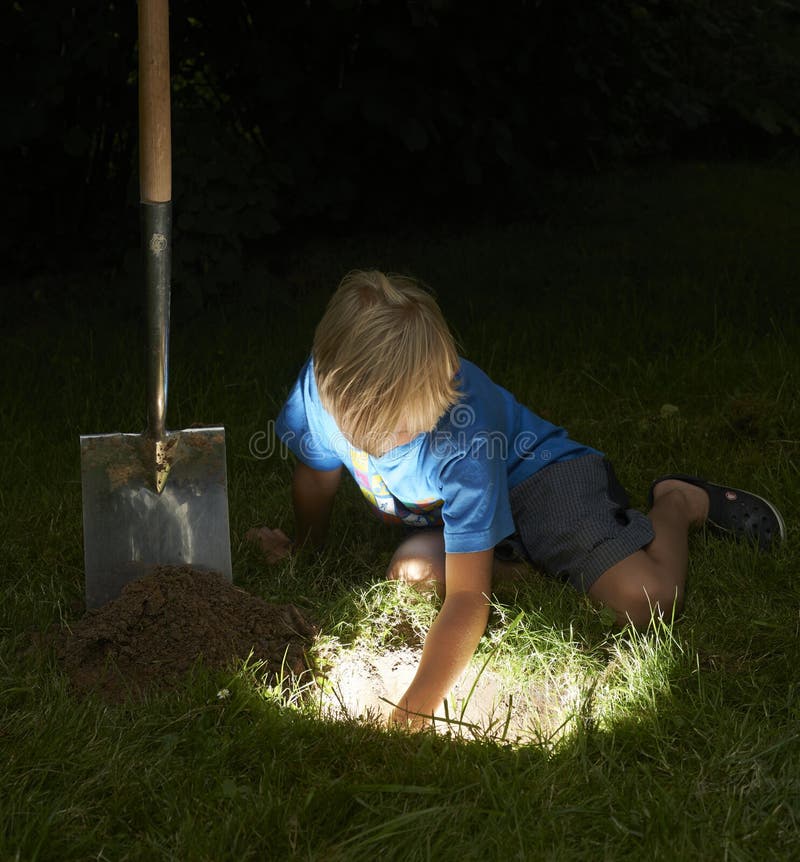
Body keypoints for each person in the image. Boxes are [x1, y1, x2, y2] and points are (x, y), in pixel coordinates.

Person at [247, 270, 786, 729]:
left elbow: (466, 603)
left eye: (410, 431)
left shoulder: (461, 433)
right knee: (409, 570)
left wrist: (409, 716)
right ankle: (523, 562)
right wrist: (305, 551)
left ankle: (677, 501)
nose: (398, 442)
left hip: (540, 479)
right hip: (462, 513)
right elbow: (316, 478)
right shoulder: (320, 392)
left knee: (645, 601)